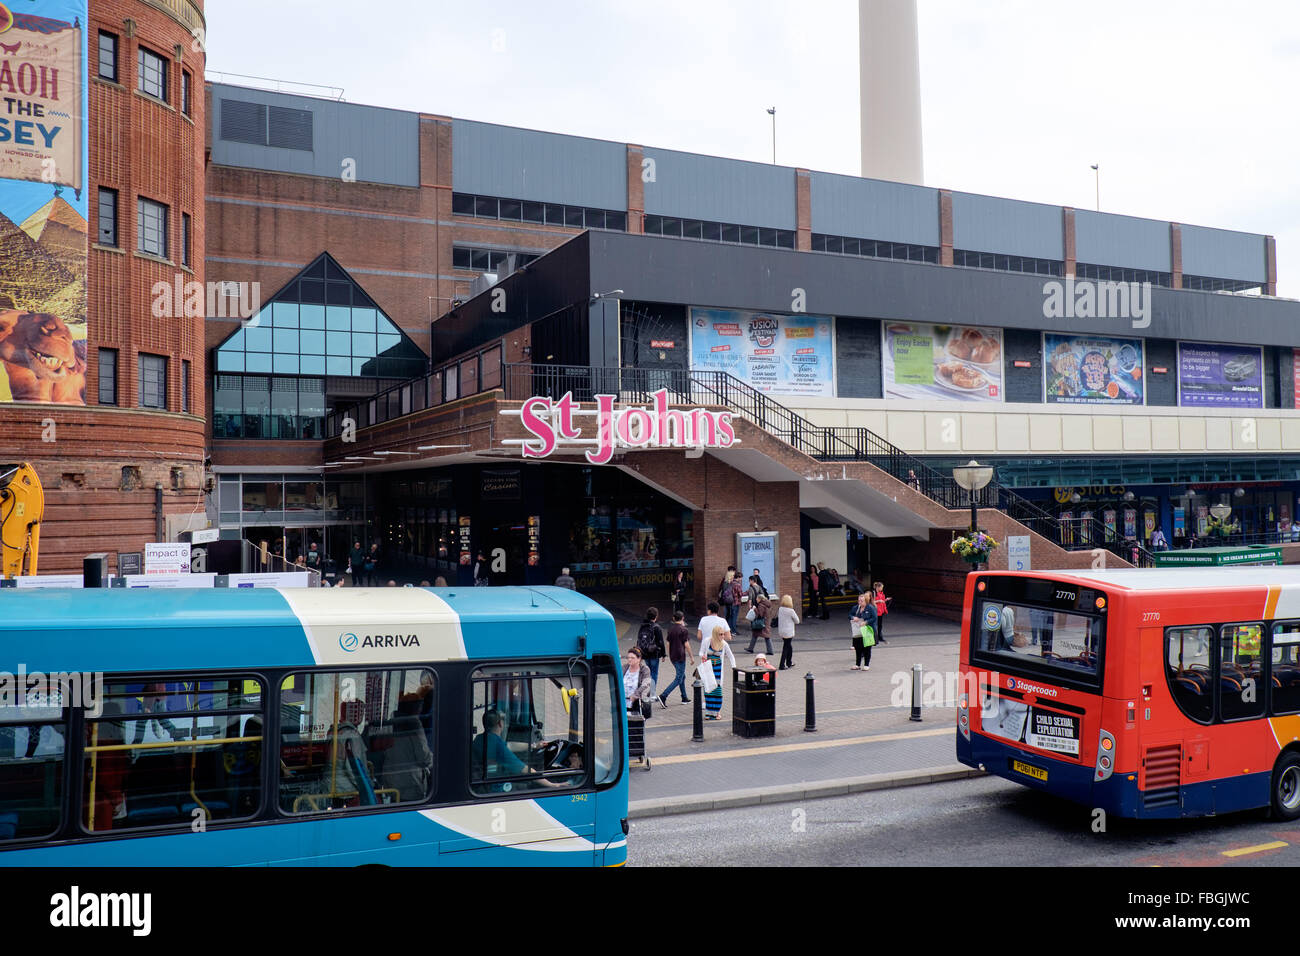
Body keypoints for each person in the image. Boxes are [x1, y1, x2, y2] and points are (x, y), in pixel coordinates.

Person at [657, 610, 695, 706]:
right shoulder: (683, 630)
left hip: (673, 656)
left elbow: (668, 643)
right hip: (680, 656)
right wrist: (691, 657)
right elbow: (686, 644)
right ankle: (663, 696)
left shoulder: (670, 629)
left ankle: (684, 697)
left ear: (673, 619)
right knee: (679, 678)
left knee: (682, 676)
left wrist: (669, 654)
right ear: (683, 618)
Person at [699, 624, 736, 720]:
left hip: (718, 670)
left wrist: (734, 667)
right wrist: (703, 656)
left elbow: (731, 655)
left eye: (723, 634)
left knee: (718, 692)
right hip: (708, 669)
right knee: (708, 691)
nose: (722, 636)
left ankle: (717, 713)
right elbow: (701, 652)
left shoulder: (724, 644)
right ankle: (708, 713)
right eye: (720, 634)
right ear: (715, 634)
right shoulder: (707, 641)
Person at [635, 608, 667, 688]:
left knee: (648, 673)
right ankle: (652, 694)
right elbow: (660, 642)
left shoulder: (642, 626)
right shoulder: (656, 627)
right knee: (654, 673)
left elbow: (639, 639)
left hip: (645, 653)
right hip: (654, 654)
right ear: (656, 616)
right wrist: (663, 654)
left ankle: (646, 691)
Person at [850, 589, 878, 671]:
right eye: (859, 600)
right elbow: (850, 615)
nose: (860, 602)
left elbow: (874, 617)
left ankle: (866, 665)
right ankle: (857, 664)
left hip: (867, 630)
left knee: (867, 648)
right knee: (858, 648)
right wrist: (853, 617)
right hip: (858, 631)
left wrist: (866, 622)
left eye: (861, 601)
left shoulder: (870, 608)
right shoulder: (856, 608)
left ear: (865, 601)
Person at [745, 576, 774, 656]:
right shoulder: (766, 603)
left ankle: (770, 650)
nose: (756, 600)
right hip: (766, 621)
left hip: (762, 623)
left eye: (757, 599)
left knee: (766, 636)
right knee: (756, 635)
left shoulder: (761, 605)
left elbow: (760, 614)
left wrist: (754, 608)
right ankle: (750, 648)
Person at [623, 647, 655, 714]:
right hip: (623, 702)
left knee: (636, 723)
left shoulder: (645, 669)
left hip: (637, 703)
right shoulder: (624, 667)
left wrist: (635, 695)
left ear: (639, 659)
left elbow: (645, 684)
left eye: (632, 658)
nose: (629, 660)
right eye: (628, 657)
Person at [776, 594, 800, 670]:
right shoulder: (791, 611)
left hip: (782, 631)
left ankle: (789, 662)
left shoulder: (780, 609)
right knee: (786, 647)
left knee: (789, 646)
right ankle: (782, 664)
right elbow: (797, 621)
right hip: (788, 632)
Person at [718, 568, 738, 632]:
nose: (734, 577)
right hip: (730, 601)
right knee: (730, 615)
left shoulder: (726, 583)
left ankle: (727, 629)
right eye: (733, 576)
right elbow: (731, 593)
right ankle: (729, 629)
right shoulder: (729, 583)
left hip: (728, 601)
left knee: (728, 615)